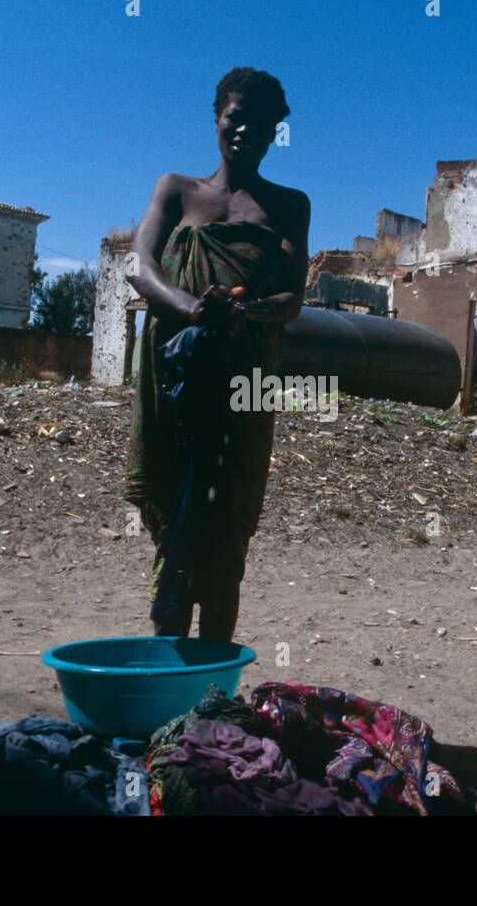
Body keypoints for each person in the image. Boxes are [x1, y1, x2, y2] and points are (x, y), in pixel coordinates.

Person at [123, 68, 310, 642]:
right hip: (175, 385)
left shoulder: (288, 205)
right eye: (236, 117)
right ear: (217, 117)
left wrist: (242, 313)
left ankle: (211, 693)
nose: (246, 130)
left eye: (262, 123)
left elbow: (291, 298)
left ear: (277, 131)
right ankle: (170, 679)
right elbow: (139, 266)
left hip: (242, 389)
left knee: (227, 530)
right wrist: (193, 309)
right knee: (176, 518)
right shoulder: (176, 189)